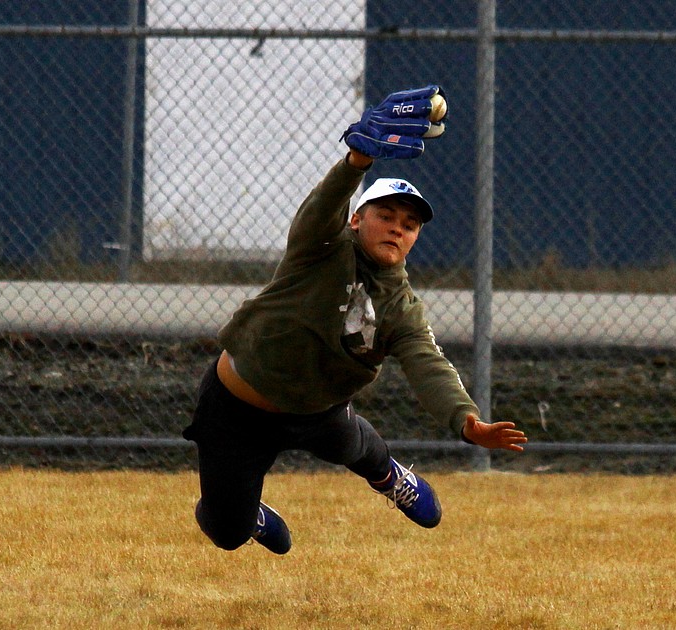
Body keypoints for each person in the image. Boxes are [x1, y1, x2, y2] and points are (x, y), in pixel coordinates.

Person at [182, 85, 528, 554]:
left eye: (409, 225)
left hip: (318, 411)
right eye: (385, 215)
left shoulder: (401, 306)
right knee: (226, 532)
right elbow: (320, 209)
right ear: (356, 221)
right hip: (238, 407)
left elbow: (428, 364)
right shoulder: (319, 250)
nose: (396, 228)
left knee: (354, 447)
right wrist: (357, 162)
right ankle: (247, 513)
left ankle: (390, 476)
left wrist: (466, 421)